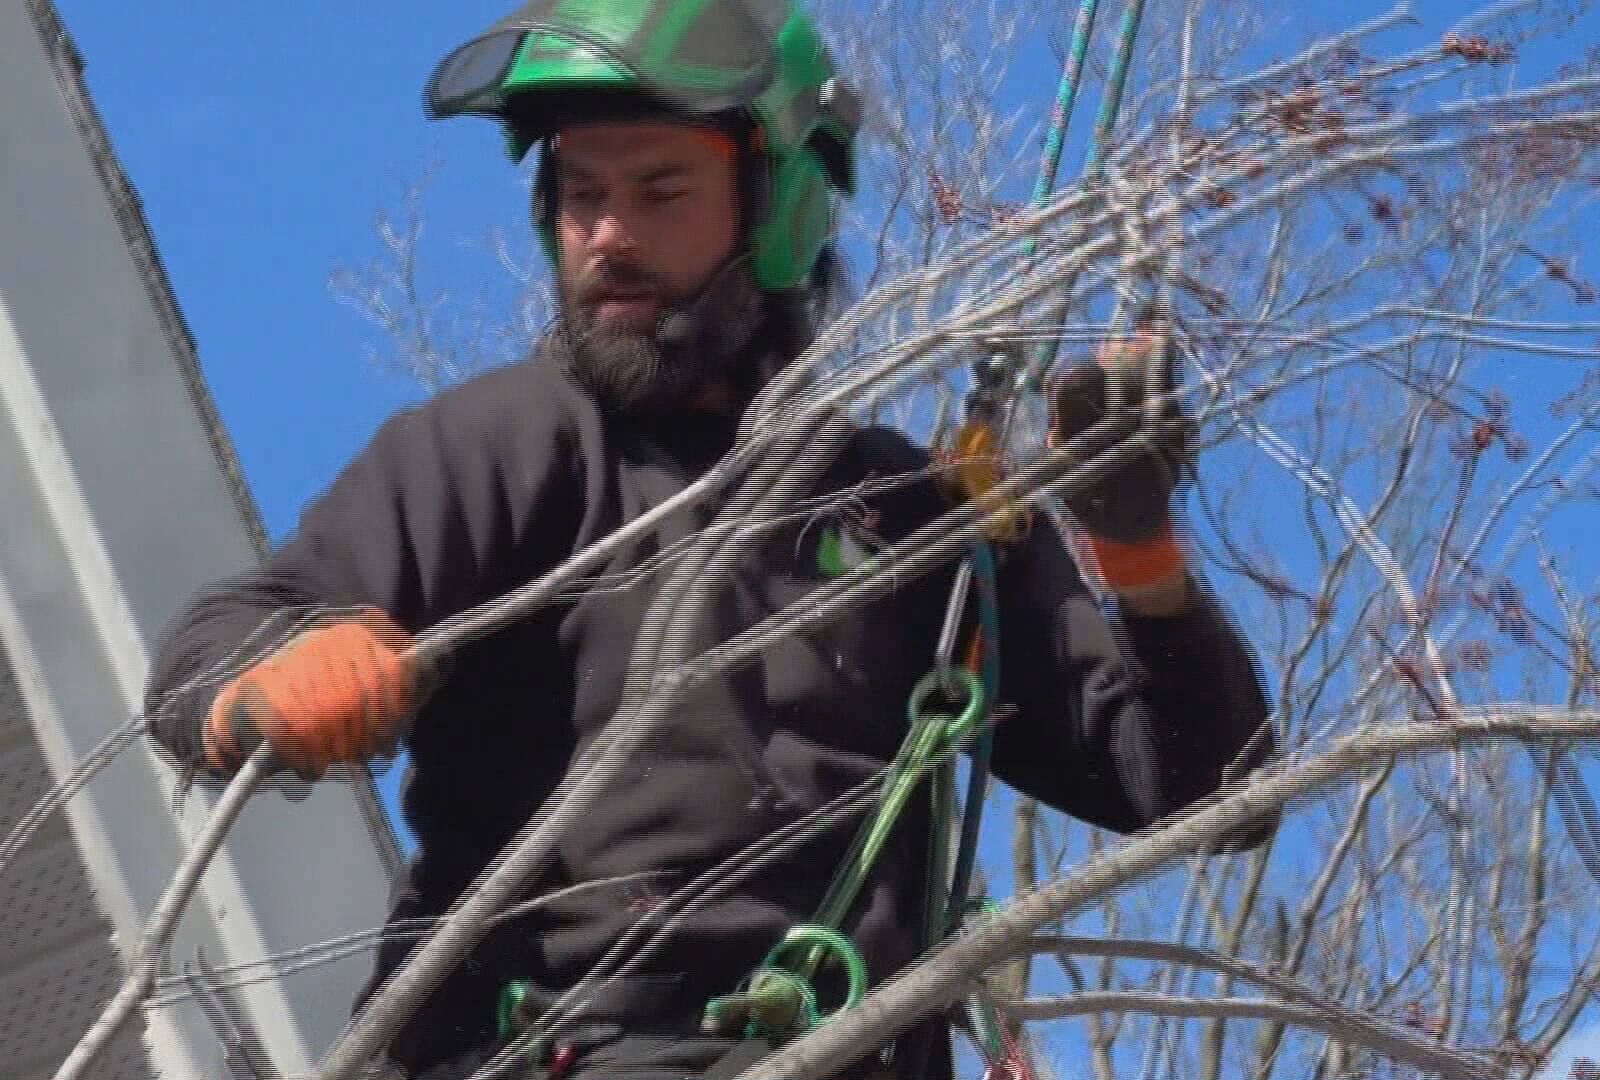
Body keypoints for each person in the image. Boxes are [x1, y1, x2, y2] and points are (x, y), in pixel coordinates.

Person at [143, 2, 1272, 1077]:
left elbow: (1208, 793)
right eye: (581, 196)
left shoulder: (913, 513)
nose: (607, 236)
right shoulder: (512, 444)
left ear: (779, 212)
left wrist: (1139, 558)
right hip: (542, 1047)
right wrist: (263, 684)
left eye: (660, 192)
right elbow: (217, 642)